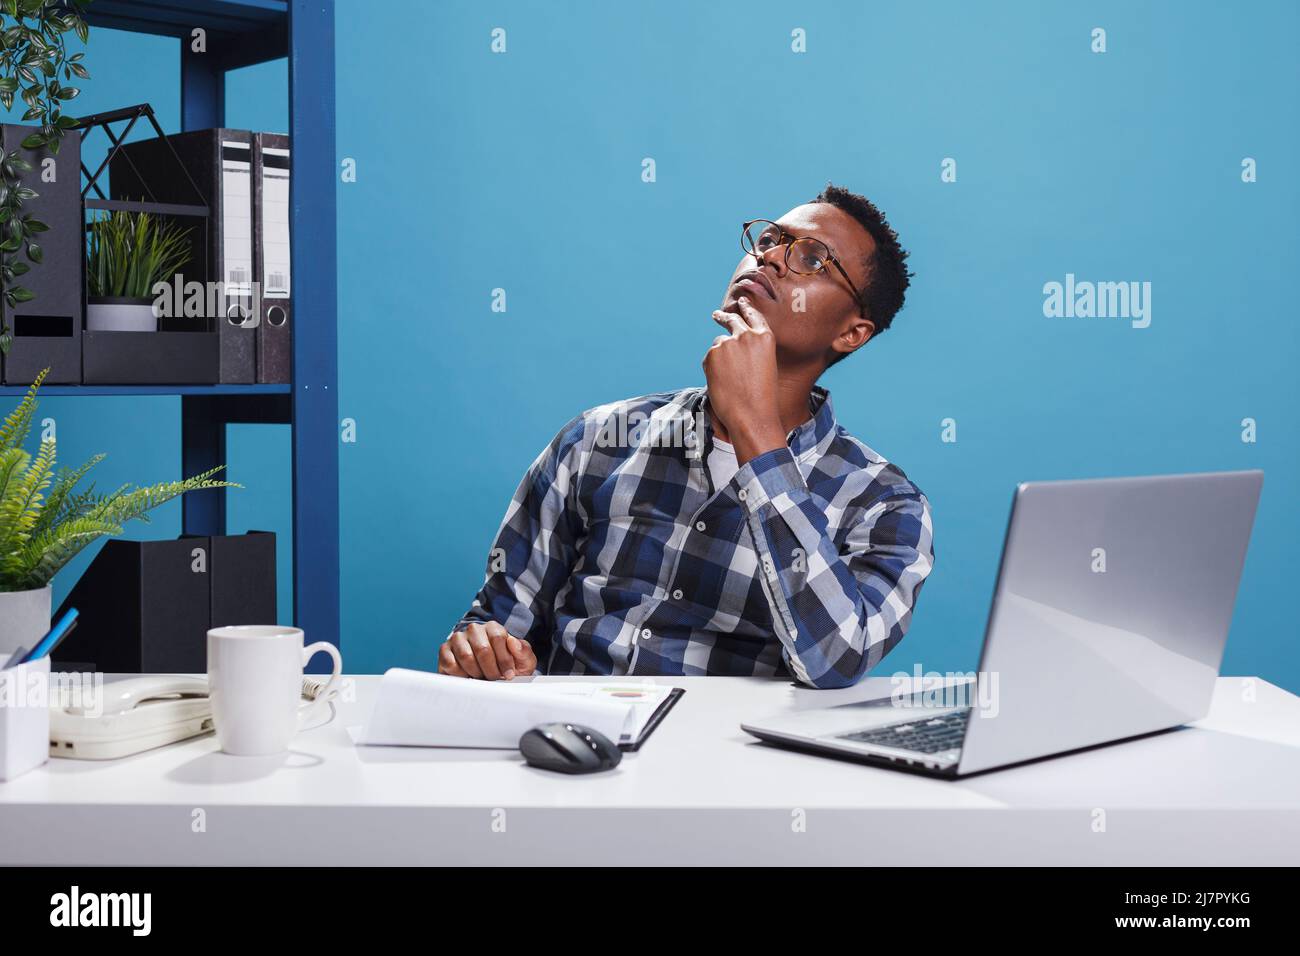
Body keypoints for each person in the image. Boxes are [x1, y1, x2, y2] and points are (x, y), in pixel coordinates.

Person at [441, 183, 934, 689]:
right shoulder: (596, 440)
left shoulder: (885, 504)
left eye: (811, 258)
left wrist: (758, 435)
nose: (771, 259)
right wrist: (482, 651)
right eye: (768, 239)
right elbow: (497, 628)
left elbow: (838, 660)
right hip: (574, 745)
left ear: (852, 332)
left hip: (736, 763)